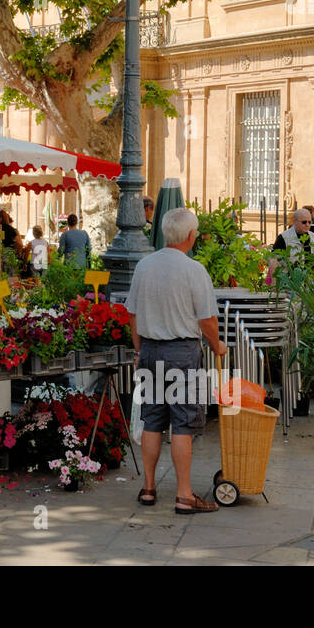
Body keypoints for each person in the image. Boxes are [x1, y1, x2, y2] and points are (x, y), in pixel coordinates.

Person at [126, 207, 225, 515]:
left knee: (152, 420)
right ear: (191, 236)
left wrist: (140, 348)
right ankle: (184, 495)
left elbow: (133, 313)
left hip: (152, 350)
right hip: (182, 353)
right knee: (182, 422)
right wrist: (217, 345)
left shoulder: (144, 266)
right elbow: (207, 319)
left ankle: (149, 488)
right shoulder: (194, 270)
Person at [269, 208, 314, 273]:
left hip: (312, 280)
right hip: (291, 280)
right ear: (295, 222)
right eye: (304, 222)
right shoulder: (283, 238)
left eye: (309, 222)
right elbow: (274, 260)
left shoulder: (313, 237)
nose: (307, 225)